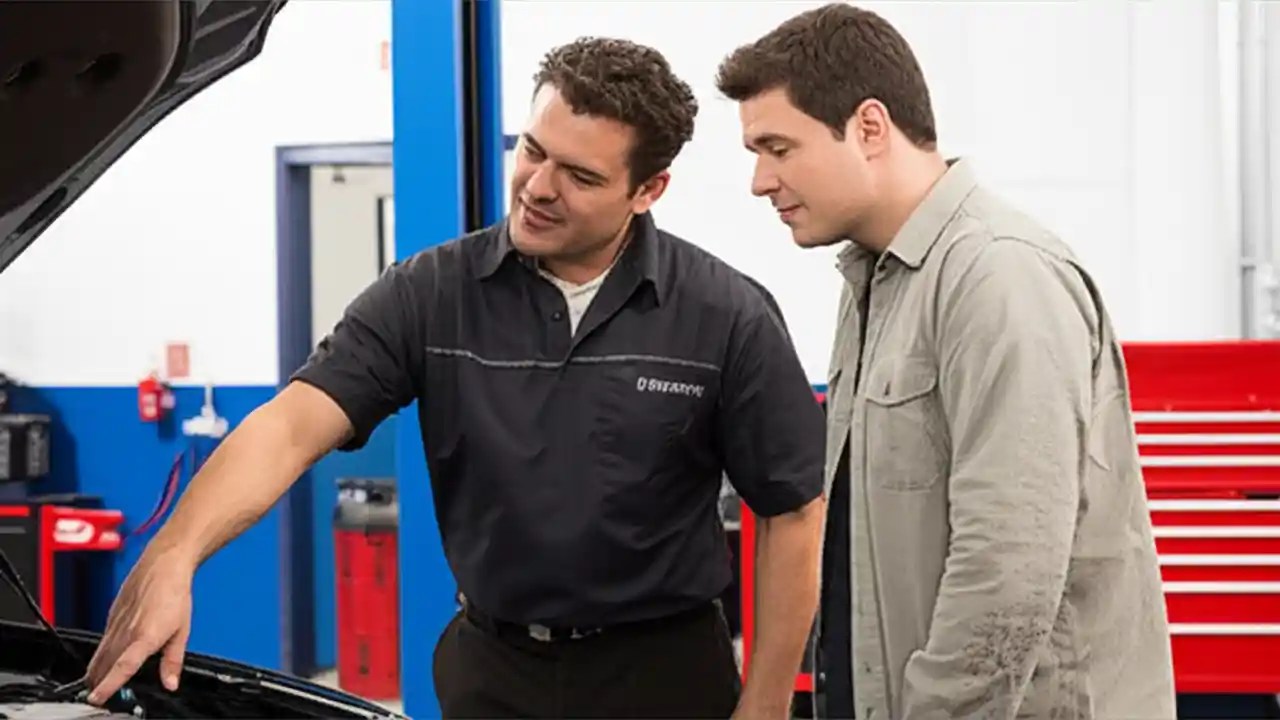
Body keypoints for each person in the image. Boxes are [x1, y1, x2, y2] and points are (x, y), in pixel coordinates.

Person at [83, 37, 827, 720]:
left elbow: (792, 511)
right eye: (533, 150)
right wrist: (174, 554)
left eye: (580, 176)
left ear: (647, 190)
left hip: (666, 677)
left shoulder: (725, 314)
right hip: (492, 672)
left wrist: (764, 706)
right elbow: (289, 426)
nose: (538, 187)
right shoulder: (430, 294)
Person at [715, 5, 1176, 719]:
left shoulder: (999, 277)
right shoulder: (877, 281)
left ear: (870, 128)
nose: (759, 180)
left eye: (778, 148)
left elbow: (1007, 576)